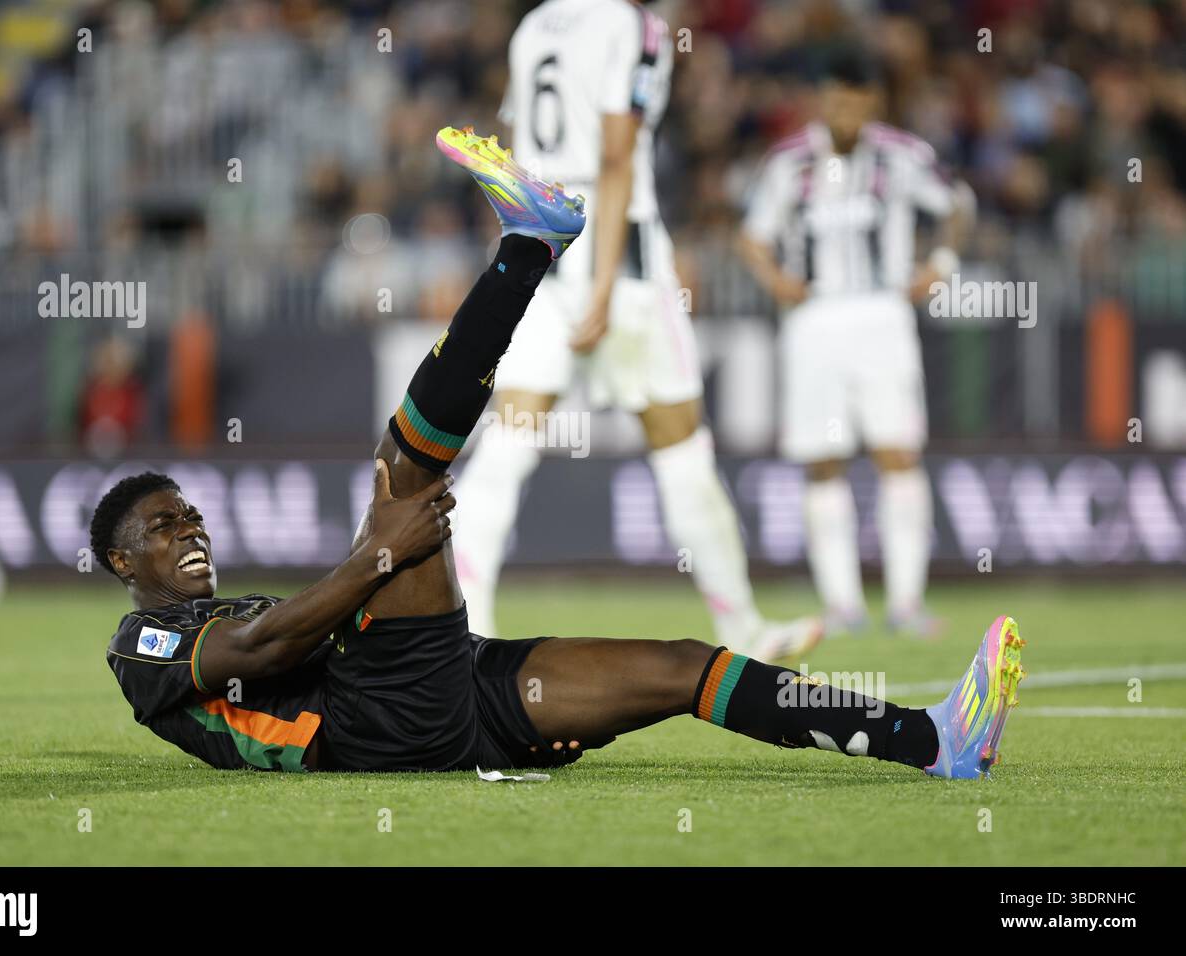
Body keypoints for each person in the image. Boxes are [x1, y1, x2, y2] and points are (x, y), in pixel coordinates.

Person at [97, 127, 1022, 779]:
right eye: (162, 526)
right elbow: (263, 644)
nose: (189, 531)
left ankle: (935, 741)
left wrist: (384, 565)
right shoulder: (144, 642)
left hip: (447, 697)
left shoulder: (223, 602)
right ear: (120, 561)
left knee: (683, 667)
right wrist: (384, 556)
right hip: (368, 723)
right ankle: (529, 245)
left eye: (189, 514)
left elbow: (293, 627)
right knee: (405, 471)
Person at [450, 0, 821, 661]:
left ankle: (465, 632)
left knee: (506, 445)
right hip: (614, 257)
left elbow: (523, 150)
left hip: (536, 245)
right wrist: (602, 281)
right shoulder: (634, 25)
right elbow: (617, 154)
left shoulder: (535, 24)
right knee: (682, 449)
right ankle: (745, 631)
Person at [739, 47, 975, 637]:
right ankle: (843, 605)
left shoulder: (902, 155)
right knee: (824, 462)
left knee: (897, 452)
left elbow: (958, 205)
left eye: (857, 99)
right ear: (822, 100)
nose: (845, 109)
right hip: (813, 318)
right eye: (836, 97)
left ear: (873, 103)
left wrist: (940, 263)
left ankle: (906, 603)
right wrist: (776, 281)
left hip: (880, 315)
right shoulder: (788, 162)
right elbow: (752, 236)